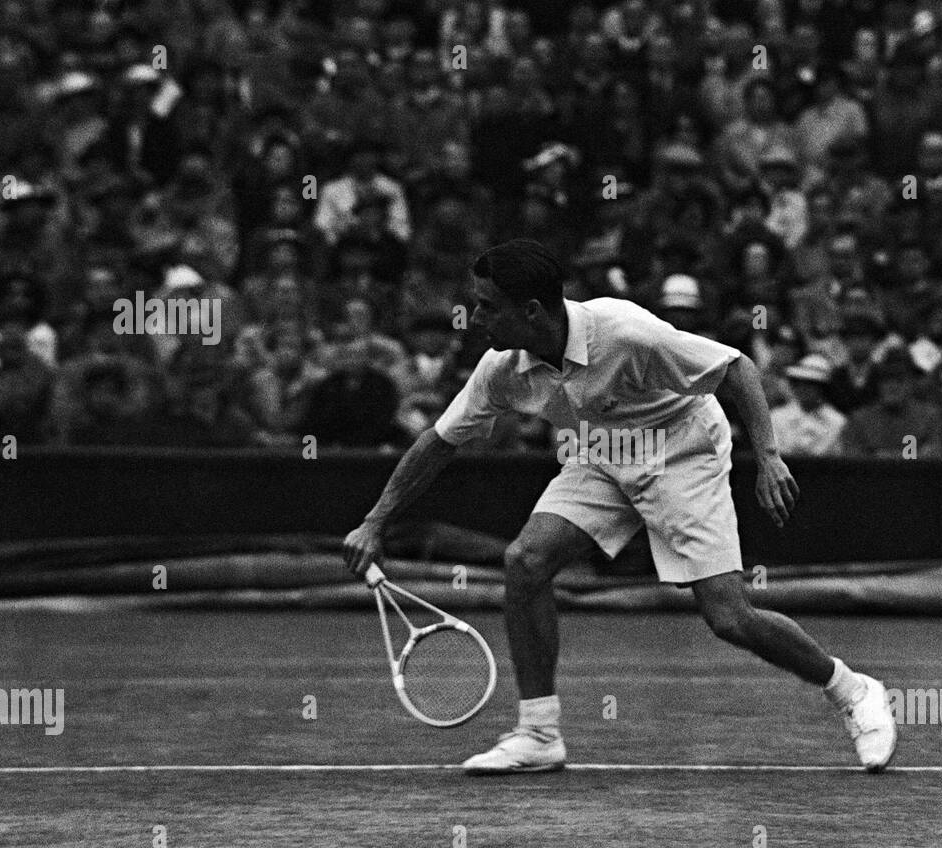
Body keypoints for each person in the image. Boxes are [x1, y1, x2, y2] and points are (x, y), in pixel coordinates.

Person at [343, 239, 896, 774]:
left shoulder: (626, 332)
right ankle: (539, 735)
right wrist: (374, 520)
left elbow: (738, 369)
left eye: (488, 307)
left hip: (682, 450)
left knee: (728, 618)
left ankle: (850, 689)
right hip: (601, 453)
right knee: (525, 563)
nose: (475, 318)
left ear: (531, 311)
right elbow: (438, 442)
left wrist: (769, 455)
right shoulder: (500, 368)